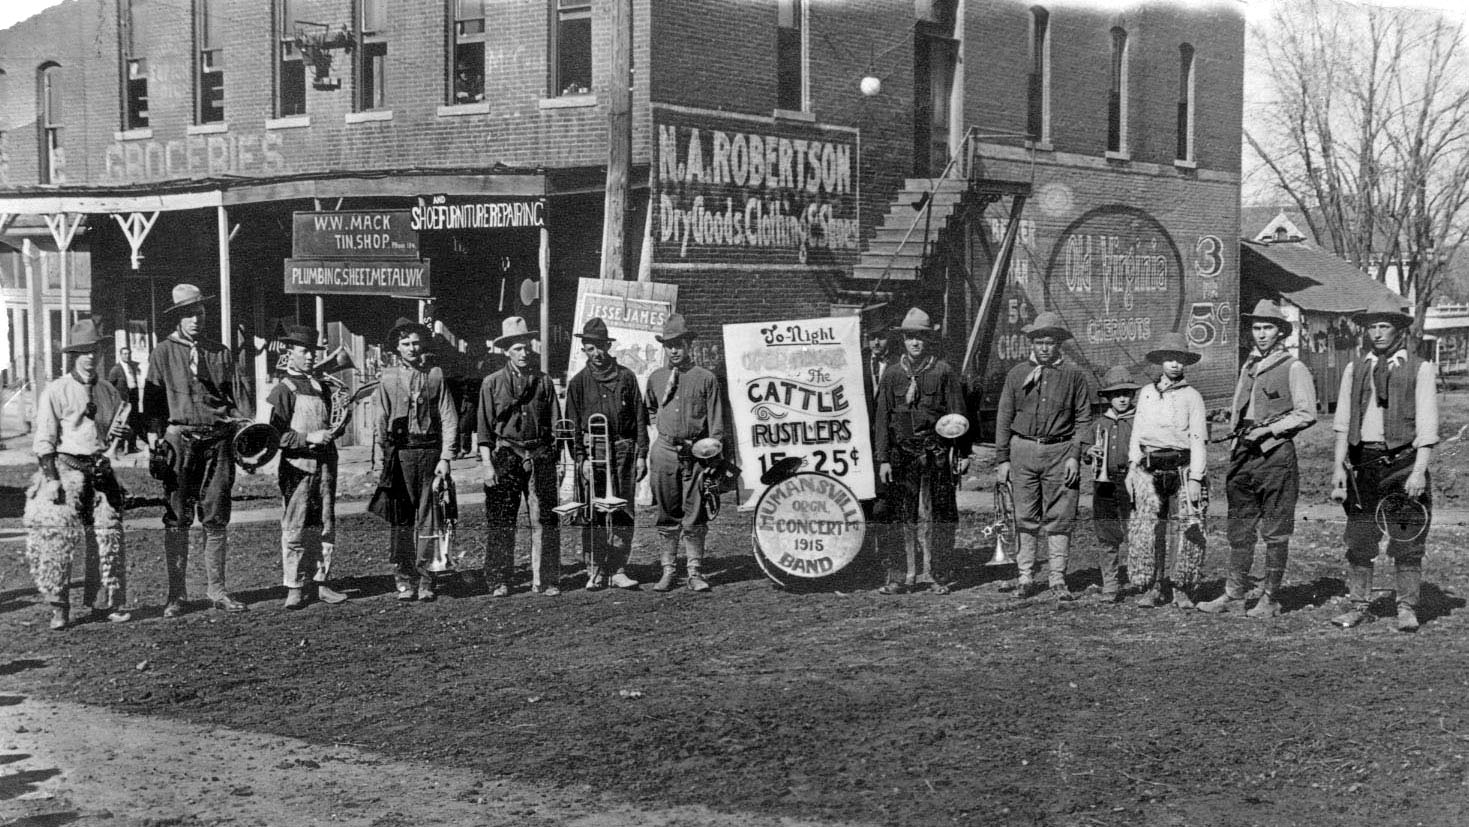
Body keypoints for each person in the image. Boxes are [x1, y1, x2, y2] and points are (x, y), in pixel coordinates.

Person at [1198, 300, 1316, 618]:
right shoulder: (1249, 365)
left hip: (1275, 455)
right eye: (1256, 327)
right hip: (1243, 454)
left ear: (1281, 332)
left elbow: (1307, 413)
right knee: (1239, 528)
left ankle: (1270, 599)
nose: (1261, 334)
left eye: (1268, 328)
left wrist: (1269, 430)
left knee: (1276, 531)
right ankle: (1233, 595)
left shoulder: (1294, 367)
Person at [1329, 296, 1439, 632]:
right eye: (1372, 327)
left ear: (1399, 330)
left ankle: (1406, 607)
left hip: (1403, 463)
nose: (1377, 333)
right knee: (1360, 538)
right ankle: (1359, 605)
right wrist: (1338, 468)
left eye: (1384, 326)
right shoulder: (1355, 368)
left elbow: (1427, 425)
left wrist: (1418, 471)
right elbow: (1342, 421)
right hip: (1363, 464)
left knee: (1407, 538)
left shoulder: (1420, 368)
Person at [145, 283, 250, 616]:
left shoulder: (220, 352)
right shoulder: (163, 353)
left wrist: (242, 431)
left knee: (216, 515)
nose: (196, 320)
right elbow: (152, 404)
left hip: (217, 441)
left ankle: (217, 591)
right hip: (179, 441)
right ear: (177, 317)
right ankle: (176, 595)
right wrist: (155, 441)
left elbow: (240, 400)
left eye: (200, 313)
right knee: (177, 517)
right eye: (189, 314)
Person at [23, 320, 132, 630]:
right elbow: (44, 438)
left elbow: (111, 434)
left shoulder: (107, 390)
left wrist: (122, 434)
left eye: (94, 351)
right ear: (74, 355)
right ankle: (59, 607)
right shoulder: (57, 390)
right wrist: (51, 478)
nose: (90, 357)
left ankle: (104, 603)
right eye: (83, 352)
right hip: (67, 469)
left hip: (99, 470)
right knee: (57, 540)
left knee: (107, 538)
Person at [994, 311, 1093, 600]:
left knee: (1060, 515)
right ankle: (1025, 575)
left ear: (1059, 344)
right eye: (1039, 342)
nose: (1045, 348)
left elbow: (1083, 418)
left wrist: (1075, 455)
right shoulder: (1016, 374)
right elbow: (1004, 417)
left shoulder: (1073, 375)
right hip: (1023, 450)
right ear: (1032, 343)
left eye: (1050, 342)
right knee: (1024, 514)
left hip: (1060, 452)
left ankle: (1057, 578)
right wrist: (1003, 459)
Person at [872, 308, 970, 594]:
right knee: (901, 515)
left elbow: (958, 415)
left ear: (929, 340)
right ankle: (901, 576)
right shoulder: (892, 375)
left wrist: (962, 454)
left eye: (920, 338)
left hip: (935, 453)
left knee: (939, 514)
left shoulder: (942, 372)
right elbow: (882, 420)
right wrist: (883, 459)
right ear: (903, 340)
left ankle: (938, 574)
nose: (915, 343)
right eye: (910, 337)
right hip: (902, 454)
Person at [372, 316, 457, 602]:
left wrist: (446, 457)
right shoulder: (388, 377)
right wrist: (382, 460)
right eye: (406, 344)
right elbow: (380, 421)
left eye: (416, 343)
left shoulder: (435, 375)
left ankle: (427, 579)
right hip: (401, 454)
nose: (412, 348)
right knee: (402, 518)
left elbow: (448, 417)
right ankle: (404, 578)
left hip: (430, 452)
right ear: (397, 347)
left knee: (430, 517)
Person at [267, 324, 350, 610]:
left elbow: (331, 424)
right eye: (304, 351)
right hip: (297, 467)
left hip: (325, 465)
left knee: (324, 524)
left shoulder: (321, 386)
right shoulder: (282, 390)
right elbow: (274, 437)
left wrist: (341, 421)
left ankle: (321, 582)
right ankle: (294, 586)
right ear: (289, 353)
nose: (311, 357)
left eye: (313, 352)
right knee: (296, 527)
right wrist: (308, 438)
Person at [478, 317, 563, 596]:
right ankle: (499, 580)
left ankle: (546, 579)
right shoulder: (492, 383)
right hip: (506, 454)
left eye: (526, 347)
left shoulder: (543, 382)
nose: (524, 353)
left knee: (546, 519)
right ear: (506, 351)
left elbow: (556, 425)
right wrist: (487, 465)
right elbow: (484, 430)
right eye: (517, 348)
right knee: (502, 519)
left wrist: (557, 459)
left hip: (540, 454)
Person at [645, 314, 729, 592]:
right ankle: (668, 570)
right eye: (669, 345)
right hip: (665, 452)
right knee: (667, 512)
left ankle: (695, 571)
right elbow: (650, 409)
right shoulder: (656, 378)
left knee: (695, 513)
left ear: (688, 345)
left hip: (696, 454)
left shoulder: (706, 378)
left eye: (679, 344)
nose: (674, 350)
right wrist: (663, 432)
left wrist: (712, 457)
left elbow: (716, 423)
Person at [1125, 332, 1209, 609]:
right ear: (1160, 361)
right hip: (1149, 471)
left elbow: (1198, 439)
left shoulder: (1192, 397)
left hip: (1181, 470)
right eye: (1169, 359)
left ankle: (1180, 586)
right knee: (1151, 529)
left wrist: (1196, 478)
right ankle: (1155, 585)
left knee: (1183, 529)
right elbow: (1137, 433)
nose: (1174, 364)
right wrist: (1132, 468)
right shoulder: (1147, 393)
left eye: (1180, 360)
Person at [565, 317, 649, 591]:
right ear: (584, 350)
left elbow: (639, 418)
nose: (597, 353)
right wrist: (581, 460)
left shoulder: (627, 377)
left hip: (624, 450)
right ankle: (596, 569)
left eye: (600, 347)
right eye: (591, 348)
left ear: (608, 346)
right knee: (595, 512)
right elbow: (572, 427)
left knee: (623, 511)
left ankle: (618, 568)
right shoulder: (578, 383)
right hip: (595, 453)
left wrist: (641, 455)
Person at [1087, 366, 1140, 603]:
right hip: (1104, 484)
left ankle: (1141, 578)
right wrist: (1090, 451)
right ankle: (1110, 583)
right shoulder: (1100, 423)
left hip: (1132, 482)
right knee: (1106, 533)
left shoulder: (1139, 420)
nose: (1122, 399)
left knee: (1134, 531)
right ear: (1108, 397)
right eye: (1117, 394)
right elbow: (1085, 448)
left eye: (1126, 394)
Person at [860, 319, 896, 583]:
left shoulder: (898, 363)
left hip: (889, 438)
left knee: (885, 499)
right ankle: (863, 557)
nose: (876, 342)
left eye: (881, 337)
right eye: (871, 337)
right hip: (861, 439)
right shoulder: (857, 361)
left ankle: (886, 555)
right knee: (863, 497)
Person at [106, 345, 142, 453]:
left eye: (129, 354)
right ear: (120, 355)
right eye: (125, 354)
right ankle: (119, 447)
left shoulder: (132, 367)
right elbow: (110, 386)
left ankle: (132, 446)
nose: (127, 356)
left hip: (133, 398)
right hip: (123, 401)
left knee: (134, 422)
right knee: (122, 423)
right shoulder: (116, 369)